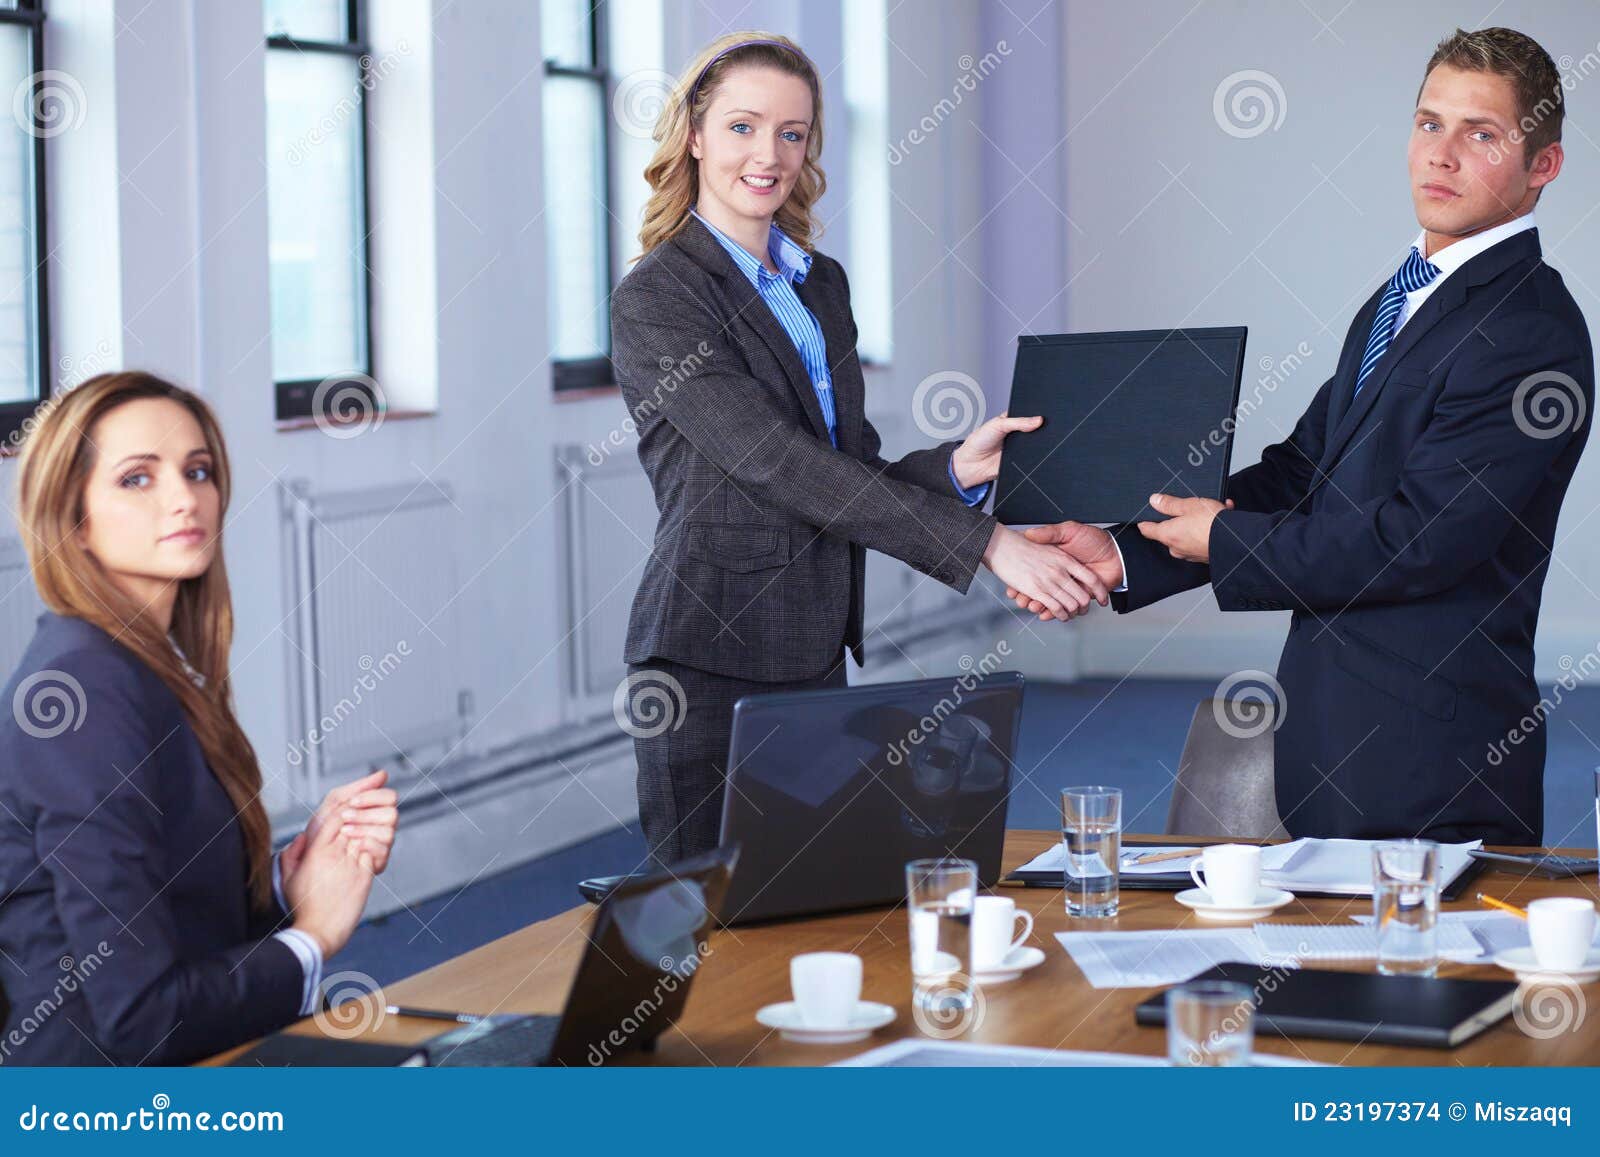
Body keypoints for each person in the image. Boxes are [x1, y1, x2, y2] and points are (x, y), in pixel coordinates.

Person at [1013, 27, 1591, 847]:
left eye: (1482, 134)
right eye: (1429, 124)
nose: (1443, 155)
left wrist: (1224, 540)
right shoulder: (1404, 294)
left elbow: (1415, 543)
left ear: (1543, 166)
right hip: (1335, 744)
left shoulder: (1532, 332)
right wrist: (1125, 552)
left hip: (1432, 761)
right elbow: (1301, 472)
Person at [610, 32, 1107, 865]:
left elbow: (844, 464)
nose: (768, 154)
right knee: (698, 923)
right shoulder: (658, 296)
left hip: (809, 646)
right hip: (705, 656)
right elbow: (774, 461)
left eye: (792, 132)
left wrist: (955, 469)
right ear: (693, 135)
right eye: (742, 127)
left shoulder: (820, 285)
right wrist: (986, 544)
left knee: (804, 903)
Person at [0, 371, 400, 1065]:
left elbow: (164, 921)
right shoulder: (81, 689)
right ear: (73, 517)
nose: (186, 498)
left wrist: (283, 886)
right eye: (136, 478)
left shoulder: (140, 664)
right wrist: (312, 936)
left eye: (198, 469)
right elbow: (141, 1015)